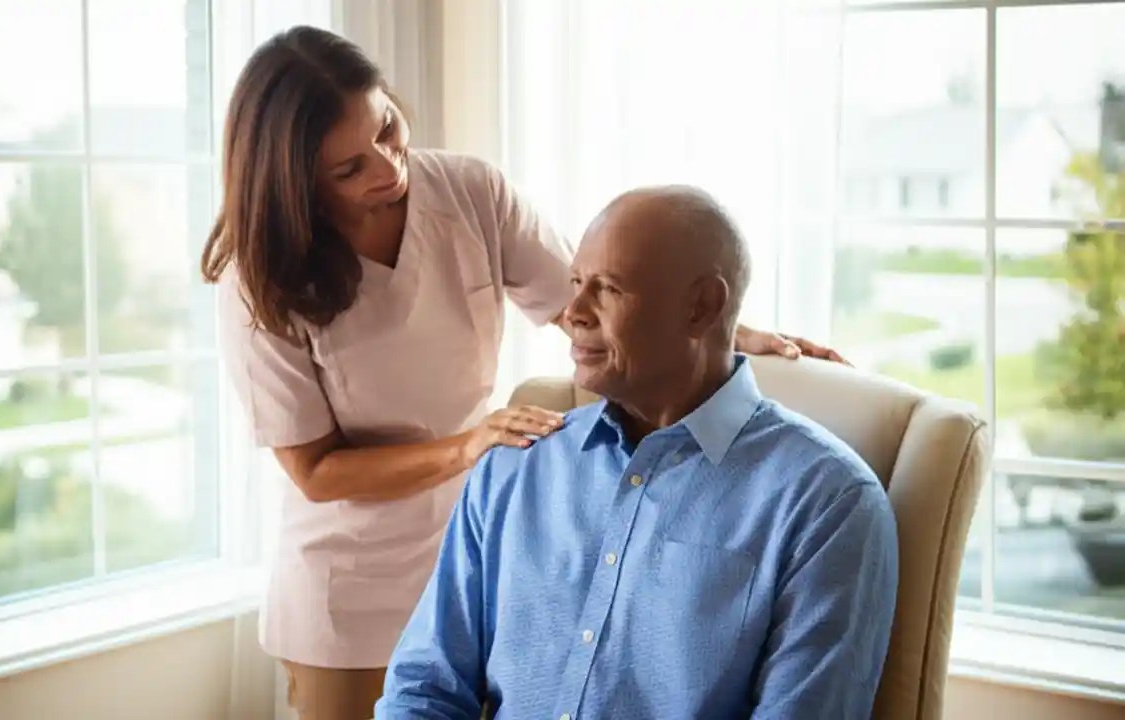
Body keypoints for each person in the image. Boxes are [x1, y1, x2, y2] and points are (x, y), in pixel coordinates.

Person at [203, 25, 844, 720]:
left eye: (388, 129)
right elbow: (316, 472)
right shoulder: (257, 281)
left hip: (472, 555)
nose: (388, 169)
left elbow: (584, 306)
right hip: (348, 588)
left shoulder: (469, 192)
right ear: (294, 182)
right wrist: (469, 446)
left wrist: (722, 327)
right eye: (349, 169)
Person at [377, 186, 899, 720]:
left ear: (701, 307)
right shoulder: (515, 464)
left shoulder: (827, 502)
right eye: (576, 283)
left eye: (608, 290)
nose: (574, 312)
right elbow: (424, 688)